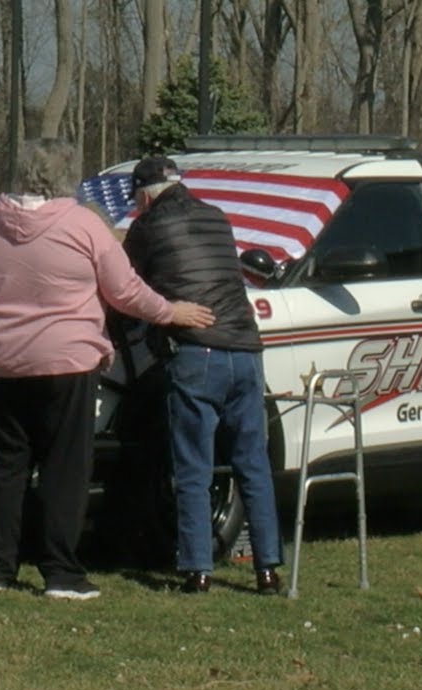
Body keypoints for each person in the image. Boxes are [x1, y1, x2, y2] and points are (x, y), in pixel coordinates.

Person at [0, 140, 215, 600]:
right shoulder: (82, 224)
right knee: (64, 467)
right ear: (65, 175)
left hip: (2, 359)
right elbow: (125, 291)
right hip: (67, 358)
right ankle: (60, 573)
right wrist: (171, 312)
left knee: (7, 466)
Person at [123, 155, 284, 595]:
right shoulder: (217, 218)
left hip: (198, 352)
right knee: (252, 463)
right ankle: (268, 569)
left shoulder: (146, 228)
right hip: (247, 351)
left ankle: (197, 570)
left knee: (193, 465)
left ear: (144, 194)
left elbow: (125, 286)